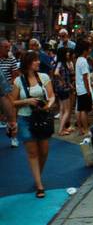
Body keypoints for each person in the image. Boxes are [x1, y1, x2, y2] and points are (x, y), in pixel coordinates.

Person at [11, 50, 56, 197]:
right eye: (35, 60)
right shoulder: (18, 81)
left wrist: (48, 105)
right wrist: (27, 101)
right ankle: (39, 184)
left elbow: (52, 96)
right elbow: (12, 101)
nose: (38, 62)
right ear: (28, 63)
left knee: (44, 151)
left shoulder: (43, 77)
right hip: (25, 118)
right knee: (32, 153)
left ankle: (38, 176)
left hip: (42, 117)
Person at [0, 38, 18, 146]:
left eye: (9, 47)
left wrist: (8, 86)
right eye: (6, 47)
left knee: (11, 116)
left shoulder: (11, 59)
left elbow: (15, 75)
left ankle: (13, 138)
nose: (8, 49)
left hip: (6, 91)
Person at [75, 38, 93, 142]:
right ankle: (86, 130)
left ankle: (81, 129)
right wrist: (88, 90)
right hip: (84, 89)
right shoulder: (83, 61)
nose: (90, 49)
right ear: (85, 50)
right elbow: (85, 77)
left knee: (80, 109)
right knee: (84, 111)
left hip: (79, 88)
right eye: (88, 48)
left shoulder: (78, 60)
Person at [54, 48, 74, 135]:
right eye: (66, 53)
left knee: (62, 109)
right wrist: (63, 81)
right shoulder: (61, 63)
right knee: (66, 110)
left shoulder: (61, 63)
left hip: (60, 89)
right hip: (63, 89)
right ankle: (61, 130)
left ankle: (63, 128)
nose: (68, 54)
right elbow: (56, 73)